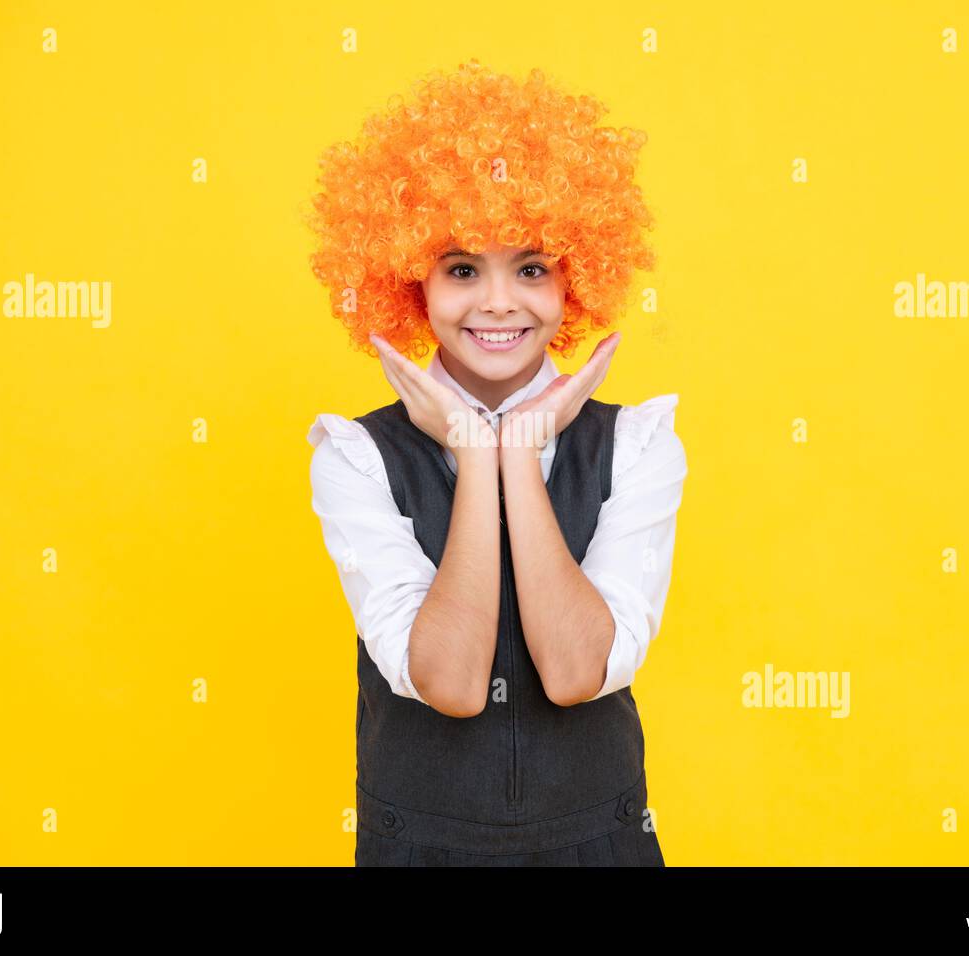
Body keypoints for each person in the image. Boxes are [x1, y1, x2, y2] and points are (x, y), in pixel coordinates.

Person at [303, 59, 686, 865]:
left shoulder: (641, 446)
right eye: (464, 268)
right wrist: (481, 454)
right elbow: (451, 683)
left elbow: (578, 670)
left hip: (599, 846)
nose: (499, 302)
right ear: (411, 281)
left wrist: (519, 457)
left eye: (533, 268)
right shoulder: (354, 458)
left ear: (576, 277)